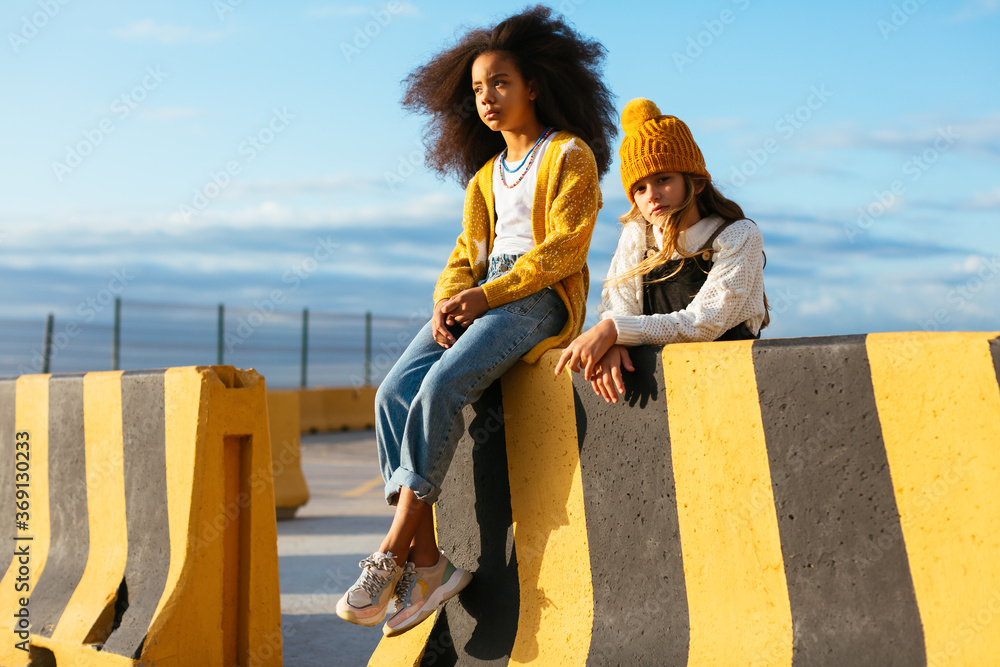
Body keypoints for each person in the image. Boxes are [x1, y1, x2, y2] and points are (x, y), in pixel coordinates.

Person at [335, 5, 616, 636]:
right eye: (478, 90)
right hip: (485, 296)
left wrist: (486, 299)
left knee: (440, 389)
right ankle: (430, 563)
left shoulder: (569, 155)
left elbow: (565, 250)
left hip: (540, 300)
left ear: (534, 85)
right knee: (394, 392)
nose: (487, 99)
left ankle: (391, 553)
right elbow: (466, 255)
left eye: (500, 84)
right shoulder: (484, 177)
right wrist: (449, 300)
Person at [555, 98, 769, 402]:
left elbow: (703, 323)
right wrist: (617, 341)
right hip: (665, 396)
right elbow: (619, 306)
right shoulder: (636, 235)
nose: (652, 196)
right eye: (640, 188)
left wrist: (615, 331)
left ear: (695, 183)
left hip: (733, 392)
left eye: (663, 179)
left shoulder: (738, 235)